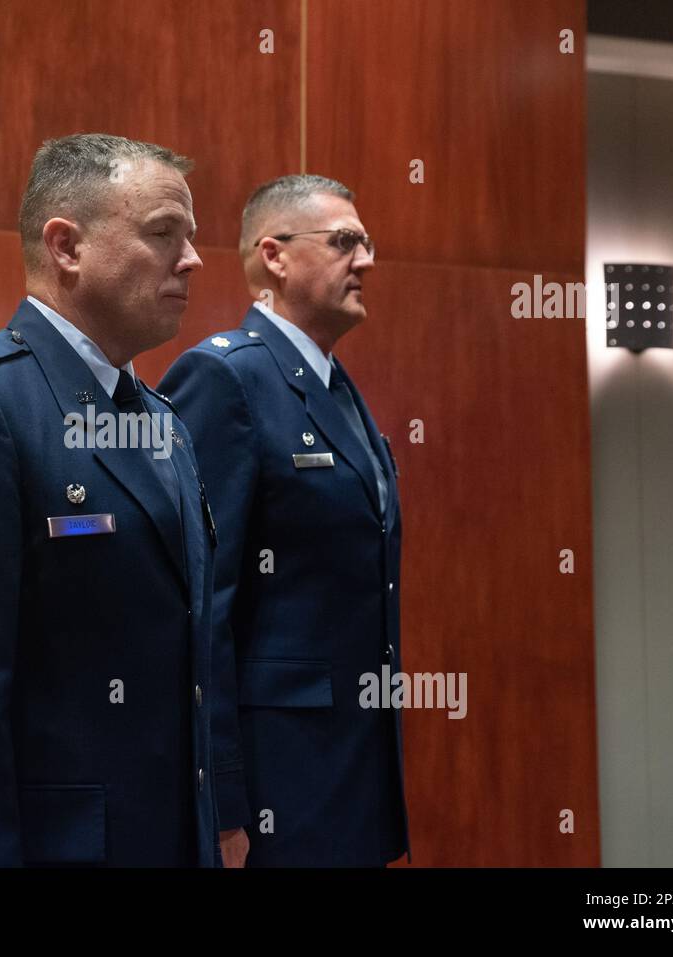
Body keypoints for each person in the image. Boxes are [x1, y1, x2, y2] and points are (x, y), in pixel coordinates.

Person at [0, 133, 227, 866]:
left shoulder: (164, 425)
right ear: (66, 246)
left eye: (190, 238)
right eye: (163, 234)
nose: (193, 260)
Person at [159, 174, 409, 866]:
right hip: (276, 789)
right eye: (343, 242)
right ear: (274, 256)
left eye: (366, 243)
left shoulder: (337, 388)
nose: (366, 260)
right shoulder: (225, 378)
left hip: (349, 775)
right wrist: (223, 802)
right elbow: (202, 606)